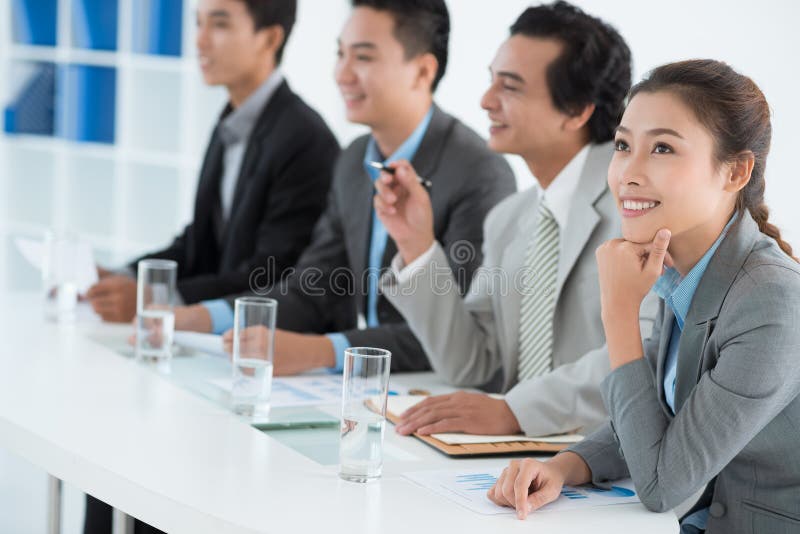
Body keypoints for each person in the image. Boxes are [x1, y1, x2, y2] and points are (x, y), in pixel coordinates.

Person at [488, 60, 800, 534]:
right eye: (623, 145)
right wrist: (564, 466)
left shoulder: (771, 301)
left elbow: (661, 484)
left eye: (662, 148)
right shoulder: (682, 269)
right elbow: (653, 418)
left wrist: (618, 313)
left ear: (735, 171)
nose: (628, 173)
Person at [173, 0, 516, 375]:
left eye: (364, 58)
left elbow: (457, 334)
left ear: (422, 70)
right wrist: (201, 317)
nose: (342, 74)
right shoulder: (354, 161)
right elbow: (312, 288)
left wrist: (321, 350)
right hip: (367, 385)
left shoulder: (479, 173)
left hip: (434, 389)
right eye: (341, 54)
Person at [374, 1, 655, 438]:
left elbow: (643, 351)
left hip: (606, 461)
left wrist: (516, 412)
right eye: (491, 81)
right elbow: (473, 365)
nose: (486, 101)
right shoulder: (510, 218)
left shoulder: (638, 203)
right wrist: (417, 245)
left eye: (510, 87)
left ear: (577, 109)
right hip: (519, 460)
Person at [85, 0, 339, 323]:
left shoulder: (304, 139)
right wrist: (125, 276)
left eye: (219, 25)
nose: (200, 40)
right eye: (198, 23)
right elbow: (200, 243)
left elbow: (271, 273)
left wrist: (156, 298)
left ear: (270, 39)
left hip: (275, 345)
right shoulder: (231, 124)